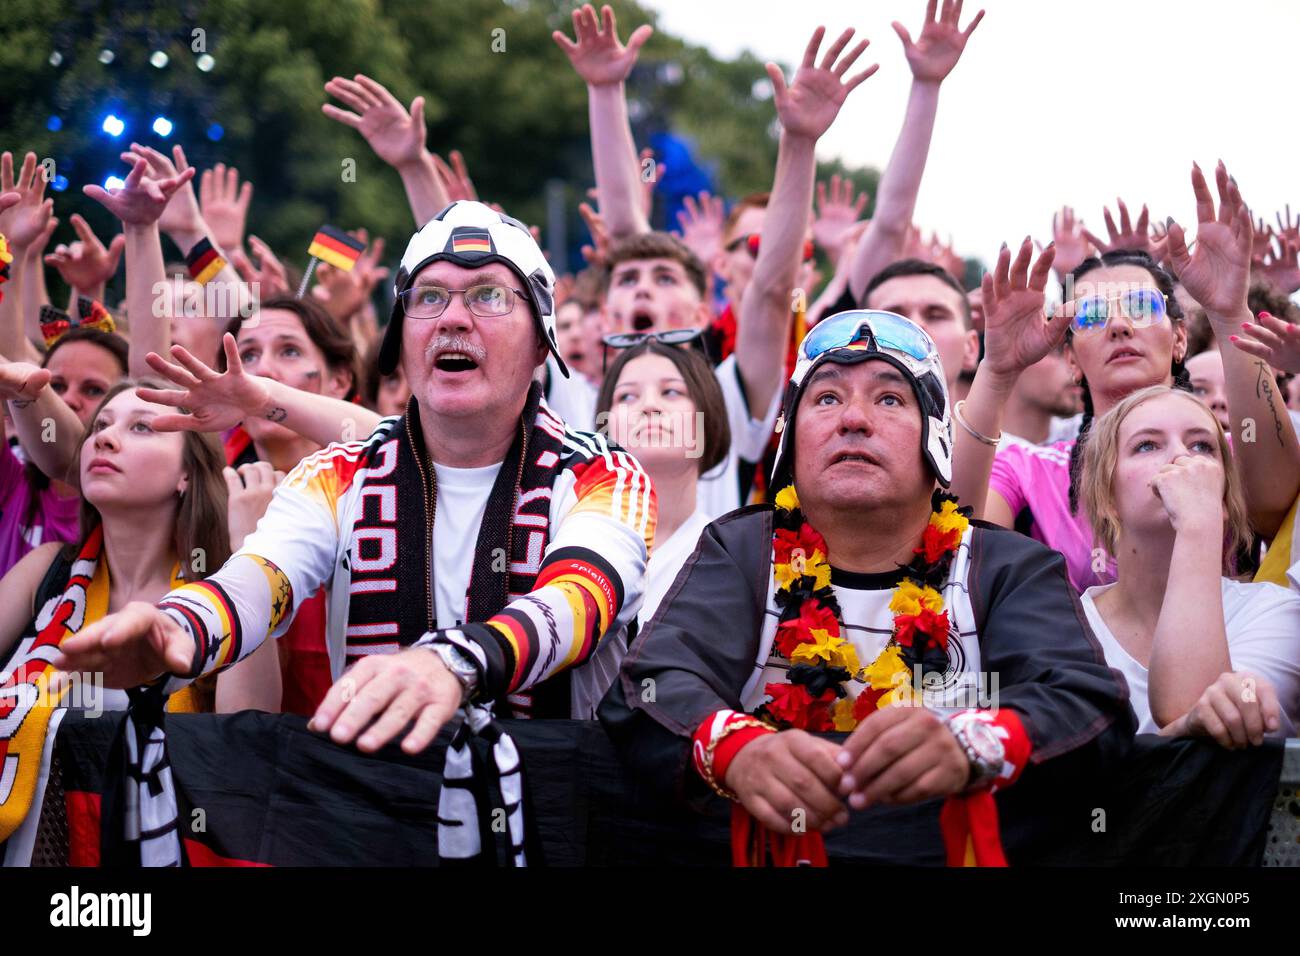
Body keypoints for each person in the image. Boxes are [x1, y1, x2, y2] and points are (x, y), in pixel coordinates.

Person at [57, 201, 654, 755]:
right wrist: (179, 627)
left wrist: (454, 662)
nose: (452, 319)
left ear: (542, 341)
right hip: (375, 818)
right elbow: (263, 578)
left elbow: (579, 598)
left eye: (488, 296)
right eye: (428, 298)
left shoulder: (604, 473)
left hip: (554, 826)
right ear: (403, 338)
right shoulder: (338, 474)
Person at [601, 310, 1133, 866]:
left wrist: (973, 743)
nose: (853, 420)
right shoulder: (742, 552)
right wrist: (737, 751)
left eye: (889, 400)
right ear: (791, 444)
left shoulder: (1006, 567)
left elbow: (1087, 703)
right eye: (826, 399)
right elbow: (650, 686)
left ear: (937, 439)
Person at [557, 9, 877, 519]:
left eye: (665, 279)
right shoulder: (570, 398)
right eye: (628, 279)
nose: (643, 290)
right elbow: (623, 229)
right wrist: (604, 91)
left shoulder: (725, 393)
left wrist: (798, 141)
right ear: (605, 307)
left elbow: (773, 291)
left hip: (705, 598)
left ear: (703, 308)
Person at [949, 162, 1280, 593]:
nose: (1119, 325)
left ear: (1179, 338)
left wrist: (1230, 314)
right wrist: (996, 371)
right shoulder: (1030, 469)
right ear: (1070, 359)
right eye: (1091, 314)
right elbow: (957, 532)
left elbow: (1276, 501)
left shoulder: (1232, 456)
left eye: (1141, 306)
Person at [0, 381, 230, 848]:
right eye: (99, 427)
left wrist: (250, 556)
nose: (103, 439)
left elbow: (248, 741)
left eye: (142, 427)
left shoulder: (227, 596)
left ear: (187, 473)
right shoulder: (44, 570)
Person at [1079, 385, 1300, 743]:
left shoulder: (1275, 612)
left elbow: (1202, 719)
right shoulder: (1067, 626)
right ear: (1107, 497)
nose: (1183, 458)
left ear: (1225, 497)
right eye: (1147, 445)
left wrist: (1197, 525)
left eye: (1202, 446)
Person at [596, 336, 729, 628]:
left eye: (671, 391)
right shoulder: (570, 538)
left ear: (707, 420)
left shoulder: (735, 558)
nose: (649, 406)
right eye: (627, 397)